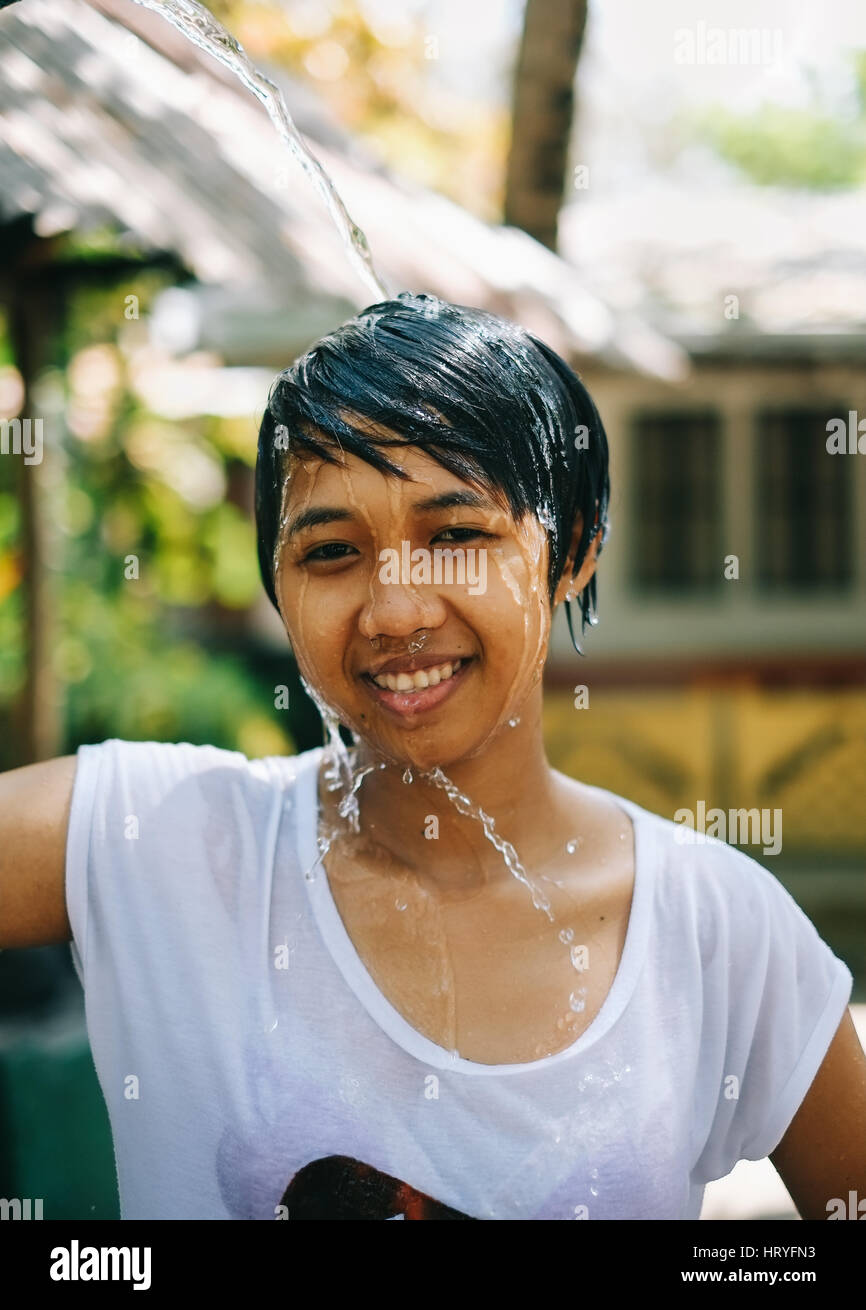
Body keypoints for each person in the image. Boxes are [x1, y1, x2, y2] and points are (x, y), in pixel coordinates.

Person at [1, 292, 864, 1220]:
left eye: (456, 535)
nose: (396, 611)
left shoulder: (712, 925)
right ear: (280, 589)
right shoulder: (157, 840)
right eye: (331, 551)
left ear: (568, 550)